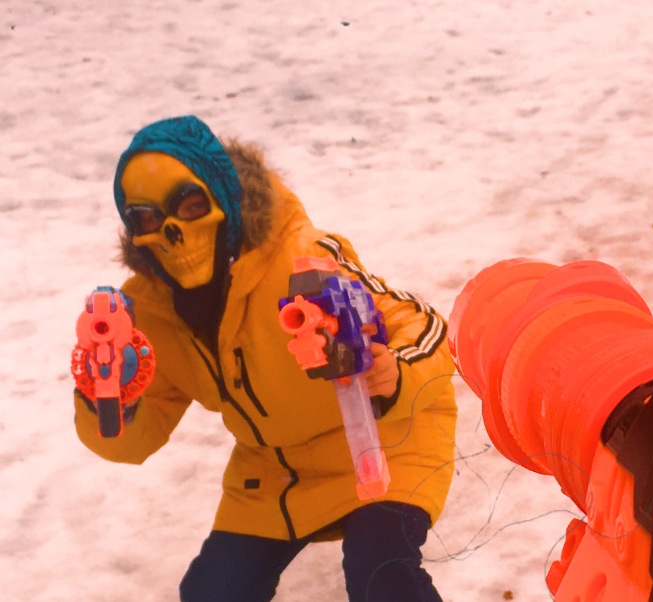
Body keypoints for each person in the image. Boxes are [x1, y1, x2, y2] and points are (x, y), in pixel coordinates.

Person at [72, 115, 456, 602]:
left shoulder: (302, 256)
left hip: (383, 443)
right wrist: (109, 399)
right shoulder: (147, 309)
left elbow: (425, 324)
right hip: (275, 475)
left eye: (192, 206)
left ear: (225, 202)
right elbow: (134, 442)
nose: (172, 233)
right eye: (146, 218)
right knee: (211, 593)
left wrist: (395, 371)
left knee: (382, 575)